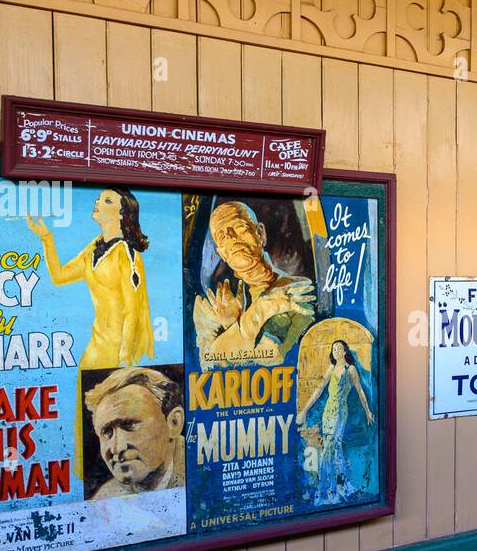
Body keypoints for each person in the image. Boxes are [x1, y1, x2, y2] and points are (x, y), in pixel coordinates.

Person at [27, 186, 156, 477]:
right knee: (90, 418)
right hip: (95, 349)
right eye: (99, 198)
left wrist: (125, 359)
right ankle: (90, 477)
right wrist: (47, 239)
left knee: (119, 417)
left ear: (122, 214)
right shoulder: (93, 248)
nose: (98, 201)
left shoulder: (127, 253)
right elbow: (59, 277)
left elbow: (133, 311)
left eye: (107, 200)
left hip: (118, 352)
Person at [192, 201, 316, 368]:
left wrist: (230, 331)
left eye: (238, 228)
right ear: (221, 252)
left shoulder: (296, 290)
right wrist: (259, 310)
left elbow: (271, 357)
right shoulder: (211, 302)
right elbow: (209, 364)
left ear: (260, 233)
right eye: (223, 237)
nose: (232, 240)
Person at [83, 367, 186, 499]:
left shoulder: (207, 476)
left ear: (174, 423)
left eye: (129, 425)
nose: (117, 448)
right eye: (107, 432)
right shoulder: (104, 498)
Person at [297, 340, 375, 504]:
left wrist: (367, 411)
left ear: (345, 351)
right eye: (334, 349)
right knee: (333, 447)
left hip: (340, 411)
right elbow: (319, 389)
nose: (336, 351)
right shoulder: (331, 369)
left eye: (339, 348)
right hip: (328, 411)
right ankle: (337, 487)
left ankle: (328, 489)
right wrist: (304, 410)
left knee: (330, 448)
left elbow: (360, 391)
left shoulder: (351, 369)